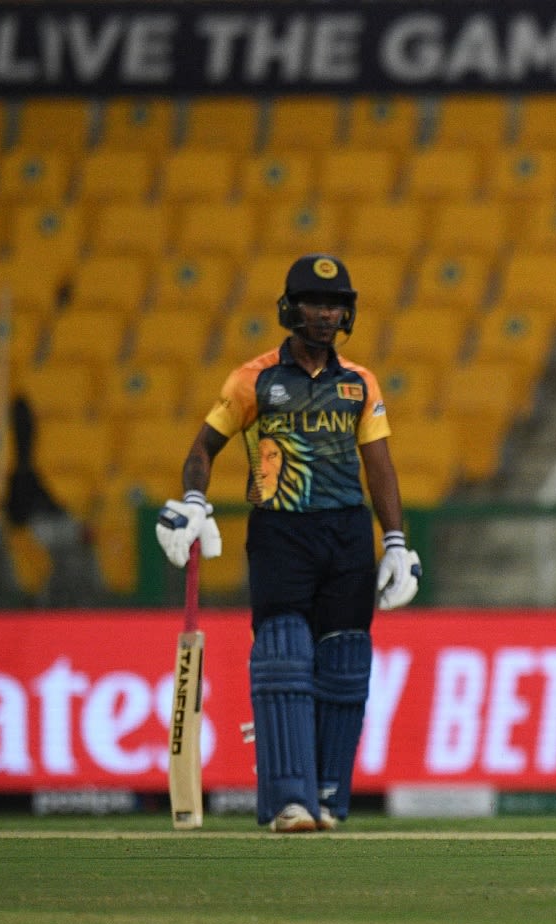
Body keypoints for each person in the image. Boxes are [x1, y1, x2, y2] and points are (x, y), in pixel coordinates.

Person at [155, 253, 422, 833]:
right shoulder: (254, 379)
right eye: (315, 304)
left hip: (347, 533)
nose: (326, 315)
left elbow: (380, 466)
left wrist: (397, 542)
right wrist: (196, 501)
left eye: (335, 305)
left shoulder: (359, 383)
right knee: (283, 656)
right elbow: (202, 449)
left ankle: (326, 797)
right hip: (280, 533)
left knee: (347, 663)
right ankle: (287, 801)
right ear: (290, 309)